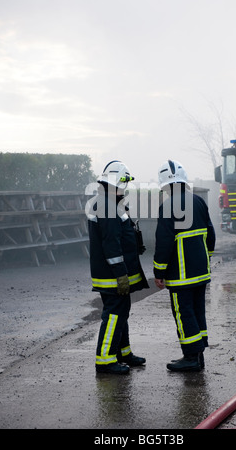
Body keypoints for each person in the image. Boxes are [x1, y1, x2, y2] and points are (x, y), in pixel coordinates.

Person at [87, 160, 148, 375]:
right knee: (114, 314)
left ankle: (123, 353)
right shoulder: (106, 206)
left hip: (116, 274)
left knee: (121, 312)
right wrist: (121, 274)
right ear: (114, 183)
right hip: (113, 276)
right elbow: (111, 245)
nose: (125, 188)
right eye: (122, 183)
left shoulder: (111, 204)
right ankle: (105, 360)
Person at [153, 160, 215, 372]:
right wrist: (206, 257)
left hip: (181, 275)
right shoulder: (198, 201)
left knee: (183, 313)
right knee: (198, 311)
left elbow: (163, 242)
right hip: (200, 272)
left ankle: (190, 357)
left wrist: (158, 271)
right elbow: (210, 233)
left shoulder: (167, 207)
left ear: (165, 185)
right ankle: (198, 354)